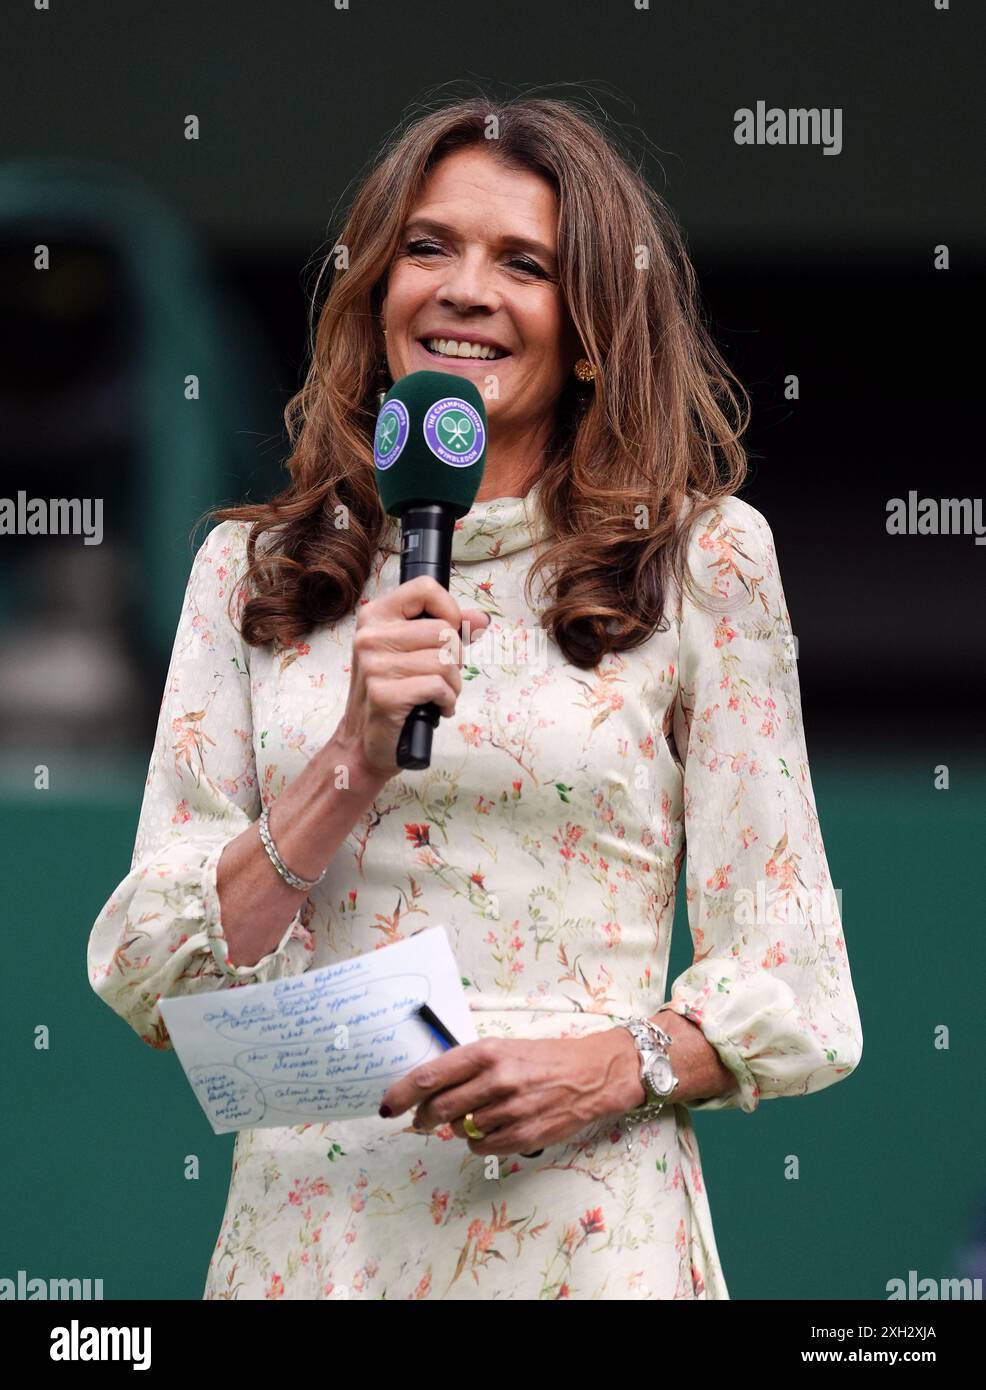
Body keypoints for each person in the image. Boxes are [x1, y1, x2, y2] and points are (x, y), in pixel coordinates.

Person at [88, 94, 863, 1301]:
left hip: (583, 1235)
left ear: (592, 326)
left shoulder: (699, 561)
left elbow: (800, 982)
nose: (463, 288)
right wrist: (347, 761)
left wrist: (612, 1067)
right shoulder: (252, 573)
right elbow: (151, 972)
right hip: (316, 1237)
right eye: (427, 246)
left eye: (525, 264)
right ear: (375, 291)